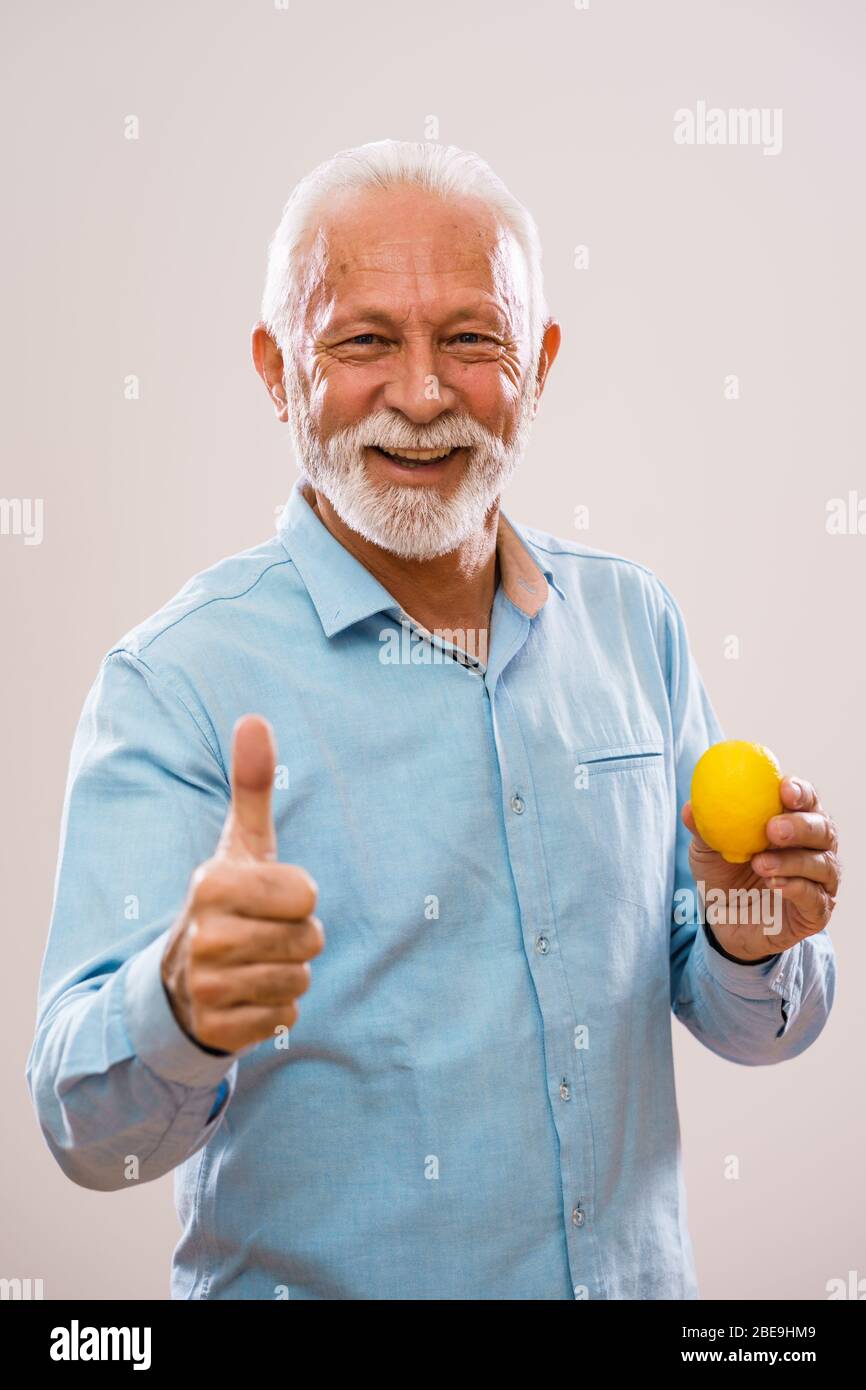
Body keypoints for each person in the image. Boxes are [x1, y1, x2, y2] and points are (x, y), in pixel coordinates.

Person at [27, 140, 840, 1300]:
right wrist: (179, 1007)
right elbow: (84, 1133)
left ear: (539, 364)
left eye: (470, 339)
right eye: (363, 341)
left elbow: (751, 1026)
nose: (420, 394)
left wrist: (749, 932)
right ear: (275, 371)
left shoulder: (631, 622)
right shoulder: (176, 680)